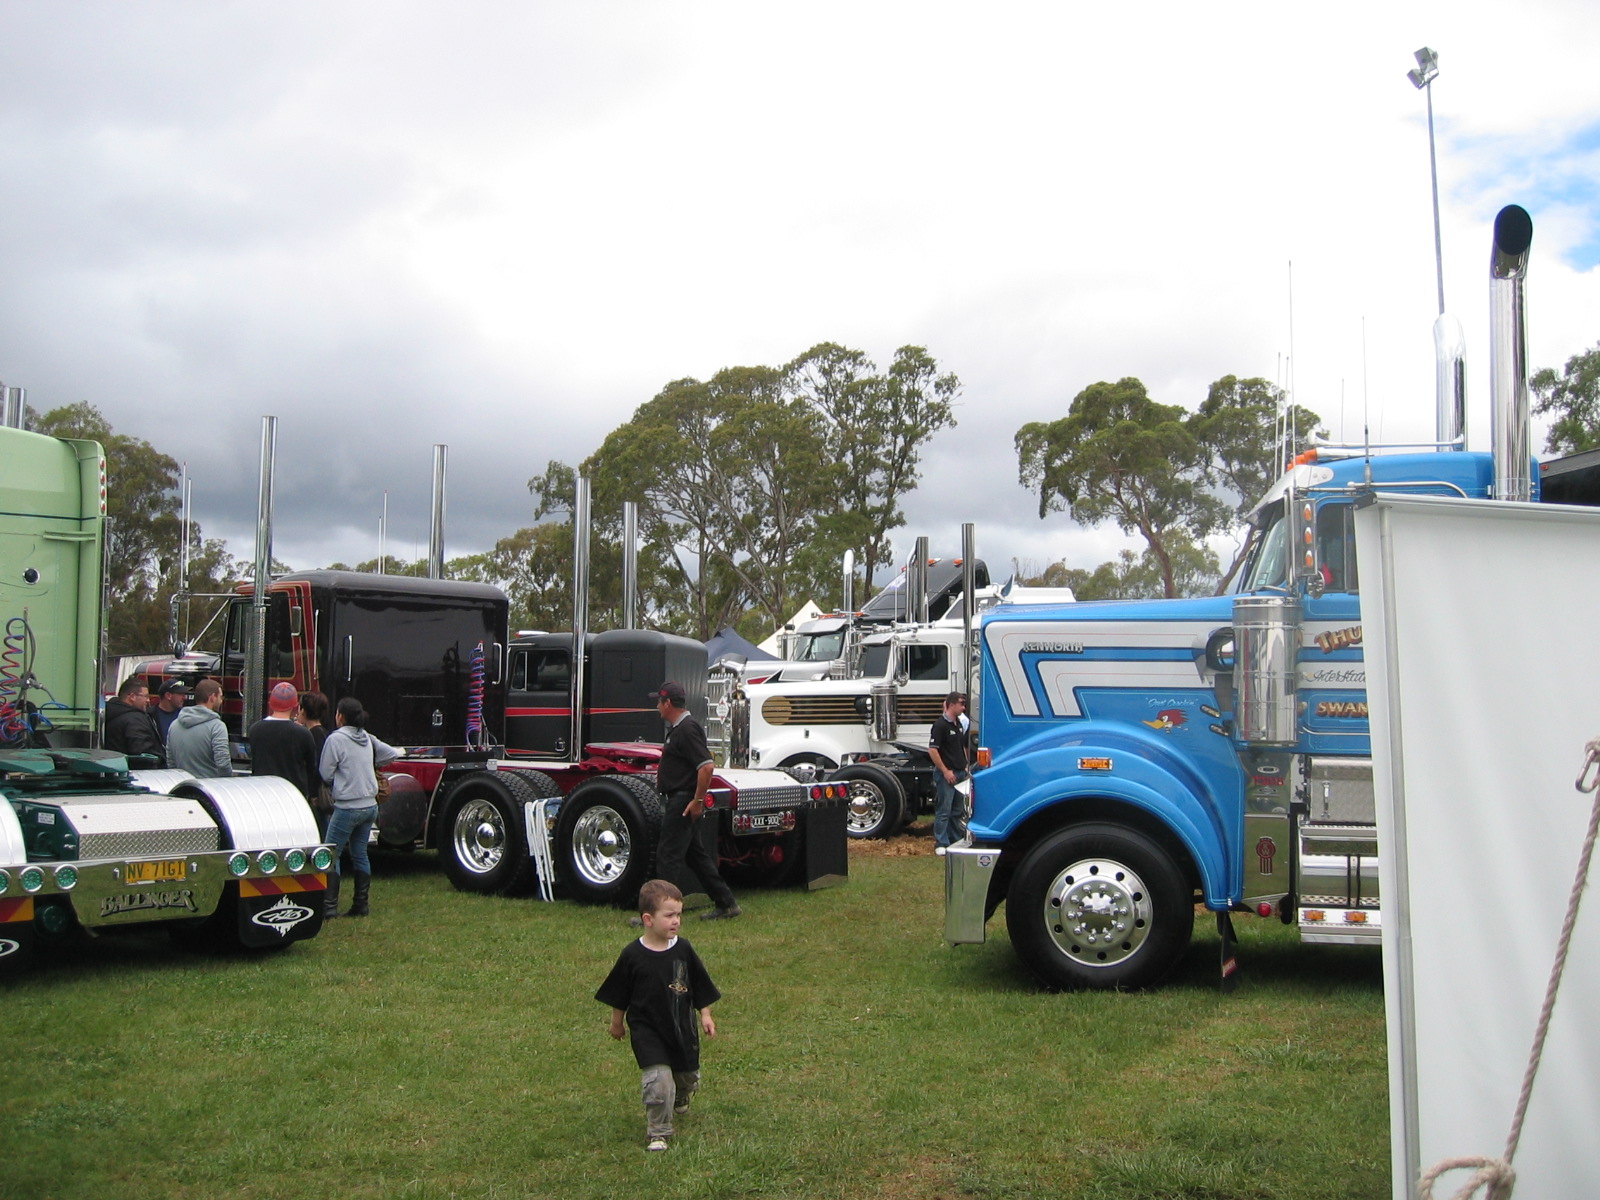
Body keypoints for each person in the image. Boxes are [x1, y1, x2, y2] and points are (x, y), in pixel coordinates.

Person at [595, 878, 721, 1152]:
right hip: (647, 1030)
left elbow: (699, 984)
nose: (676, 921)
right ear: (648, 919)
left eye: (679, 914)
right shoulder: (632, 955)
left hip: (681, 1028)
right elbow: (619, 993)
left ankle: (681, 1097)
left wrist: (706, 1015)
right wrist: (617, 1023)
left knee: (687, 1076)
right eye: (670, 915)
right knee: (658, 1082)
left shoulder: (684, 950)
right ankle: (658, 1133)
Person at [650, 681, 741, 920]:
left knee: (667, 856)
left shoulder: (687, 729)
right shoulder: (681, 728)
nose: (657, 707)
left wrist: (697, 800)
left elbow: (706, 767)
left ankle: (661, 913)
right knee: (696, 856)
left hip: (682, 800)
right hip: (683, 799)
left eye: (659, 702)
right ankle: (727, 903)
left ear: (668, 703)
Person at [319, 696, 399, 919]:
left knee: (331, 853)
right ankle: (361, 904)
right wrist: (371, 763)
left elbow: (325, 772)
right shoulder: (367, 737)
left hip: (347, 806)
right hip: (370, 805)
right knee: (360, 853)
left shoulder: (336, 740)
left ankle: (329, 907)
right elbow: (392, 753)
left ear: (340, 717)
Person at [248, 682, 319, 801]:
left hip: (262, 793)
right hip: (293, 795)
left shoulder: (255, 729)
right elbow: (311, 768)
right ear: (295, 706)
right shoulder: (303, 734)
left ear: (271, 703)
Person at [927, 691, 970, 854]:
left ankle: (955, 839)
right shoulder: (940, 725)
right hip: (948, 774)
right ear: (951, 705)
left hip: (960, 772)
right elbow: (933, 750)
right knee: (944, 809)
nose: (963, 707)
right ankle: (941, 843)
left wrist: (966, 766)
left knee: (957, 810)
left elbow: (962, 746)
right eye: (961, 704)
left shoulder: (958, 724)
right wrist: (945, 771)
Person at [167, 679, 231, 778]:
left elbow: (170, 762)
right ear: (212, 697)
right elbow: (223, 763)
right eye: (220, 697)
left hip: (182, 786)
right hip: (209, 788)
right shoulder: (217, 726)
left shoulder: (174, 725)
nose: (221, 701)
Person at [103, 676, 164, 765]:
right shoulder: (135, 720)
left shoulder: (110, 713)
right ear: (132, 696)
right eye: (146, 696)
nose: (148, 700)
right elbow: (143, 755)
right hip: (138, 775)